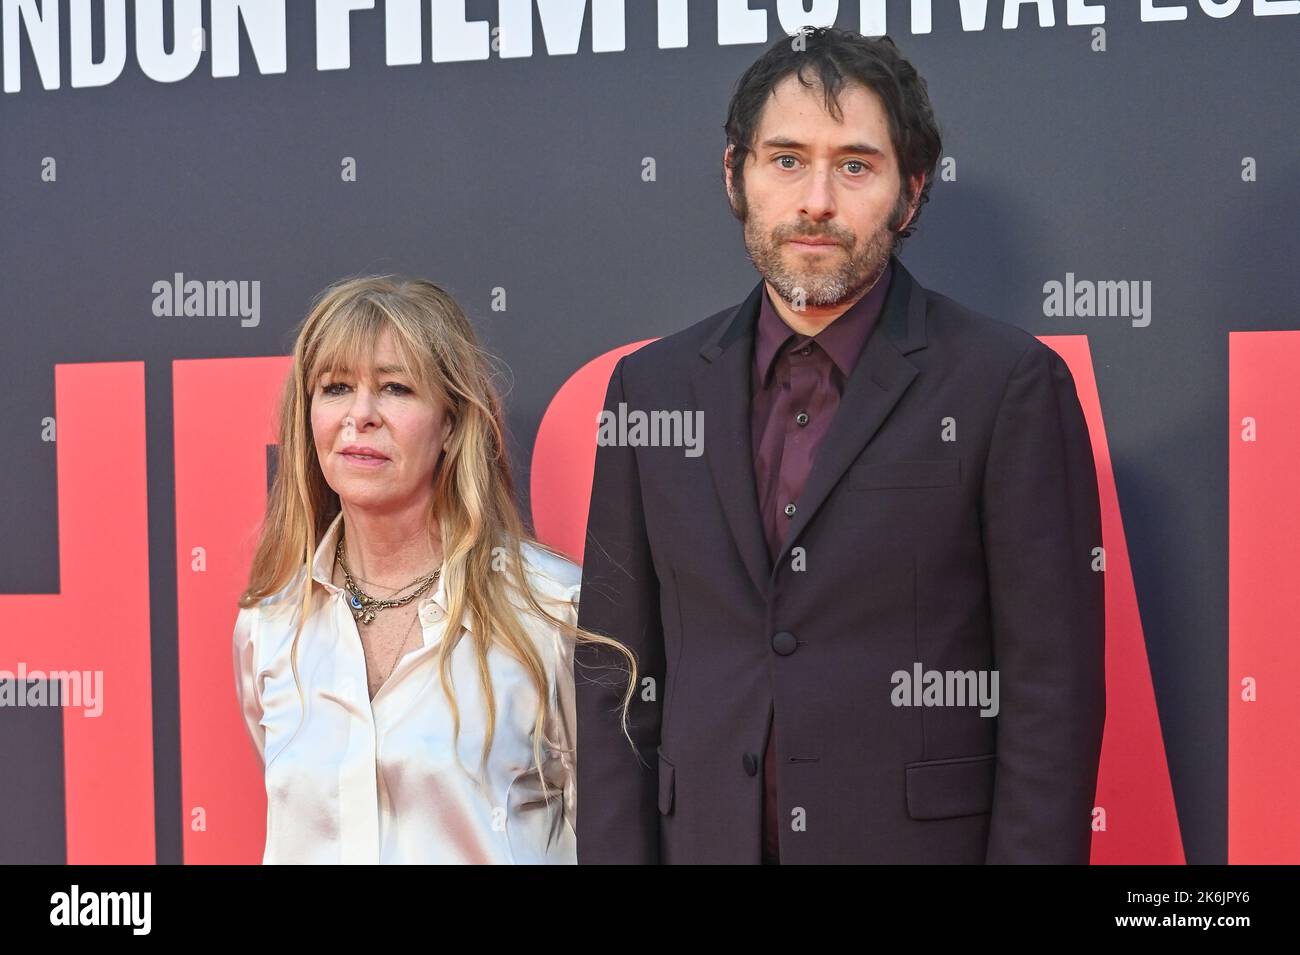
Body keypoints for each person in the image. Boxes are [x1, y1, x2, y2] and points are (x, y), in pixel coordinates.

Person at [574, 27, 1106, 864]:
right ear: (735, 176)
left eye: (855, 165)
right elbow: (616, 676)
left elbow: (1053, 696)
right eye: (786, 159)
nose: (816, 199)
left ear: (911, 191)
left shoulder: (1008, 387)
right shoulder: (652, 389)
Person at [232, 276, 634, 864]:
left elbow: (610, 835)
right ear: (308, 416)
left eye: (395, 388)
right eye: (336, 387)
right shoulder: (271, 625)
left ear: (450, 424)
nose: (360, 416)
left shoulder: (551, 610)